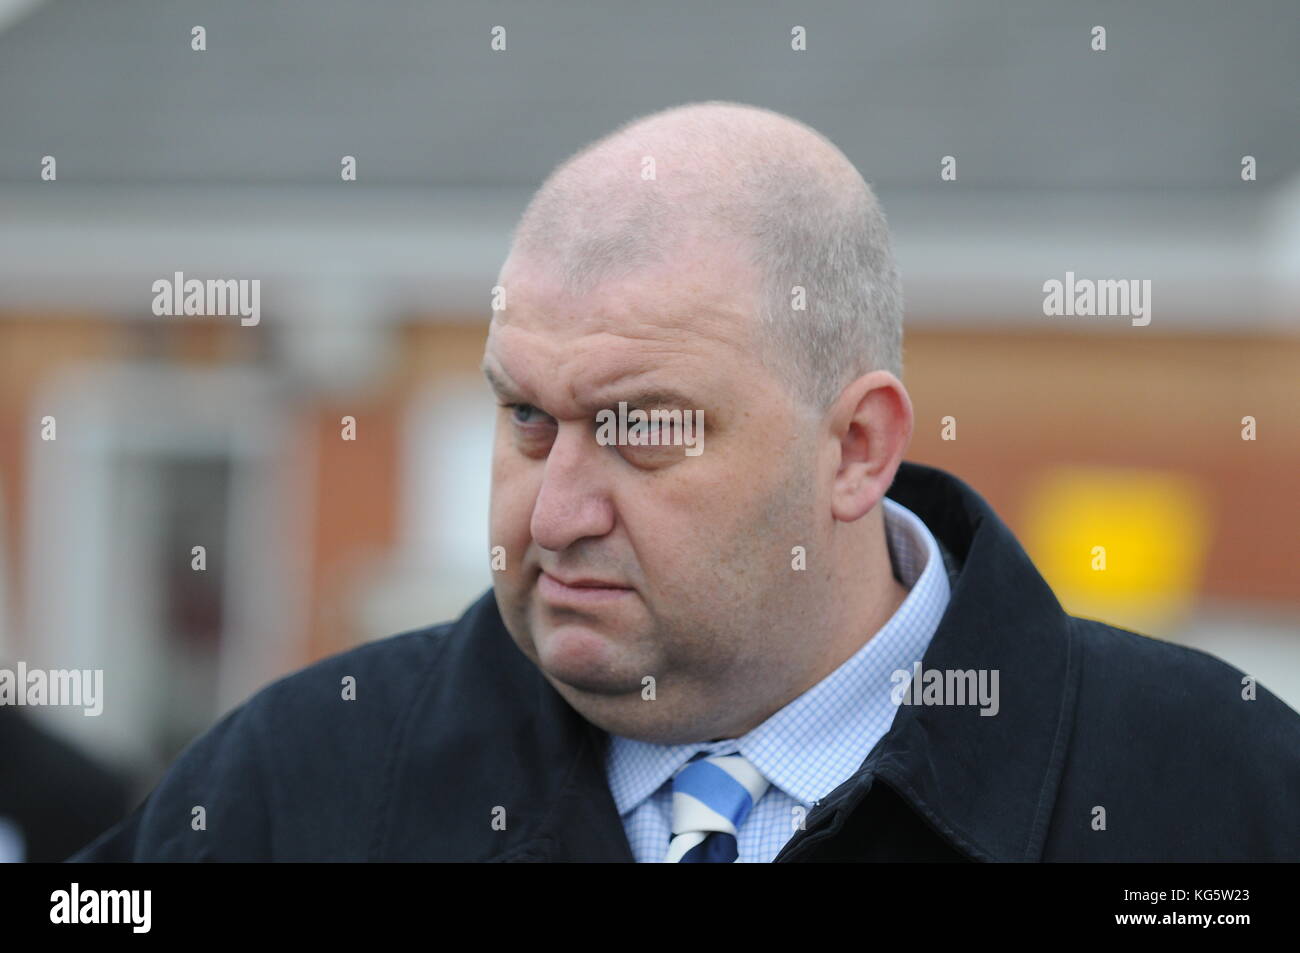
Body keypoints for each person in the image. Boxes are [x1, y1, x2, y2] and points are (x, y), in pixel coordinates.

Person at [72, 101, 1300, 862]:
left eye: (644, 428)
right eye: (525, 419)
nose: (555, 514)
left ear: (856, 448)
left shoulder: (1217, 792)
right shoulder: (297, 787)